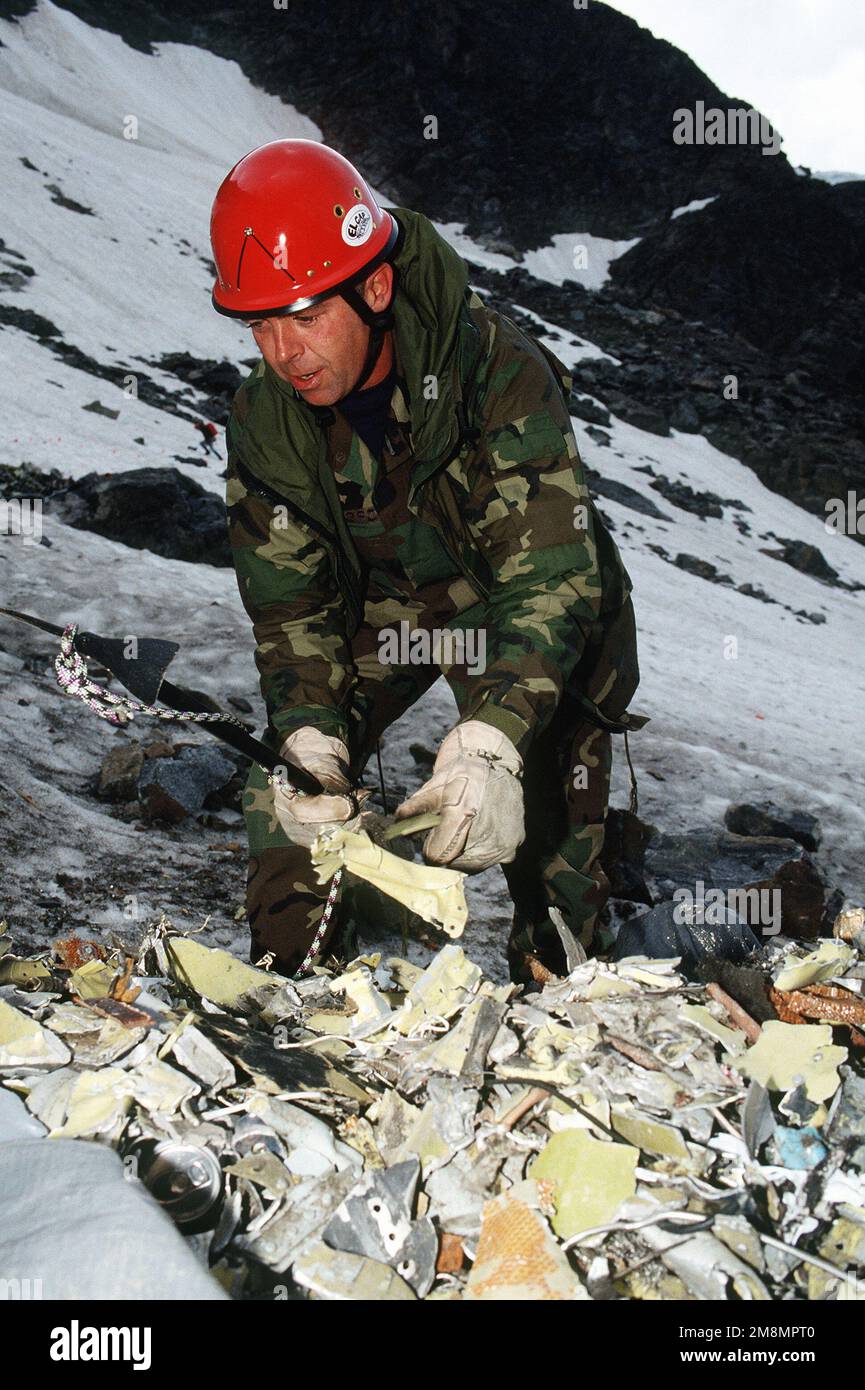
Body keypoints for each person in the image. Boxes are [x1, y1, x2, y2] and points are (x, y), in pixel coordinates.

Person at [209, 139, 644, 983]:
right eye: (259, 322)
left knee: (551, 836)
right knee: (287, 791)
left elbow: (551, 575)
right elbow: (293, 609)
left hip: (521, 605)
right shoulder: (266, 420)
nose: (284, 352)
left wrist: (492, 738)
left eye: (305, 316)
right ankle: (292, 992)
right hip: (391, 609)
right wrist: (312, 733)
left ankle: (558, 999)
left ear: (374, 287)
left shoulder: (496, 369)